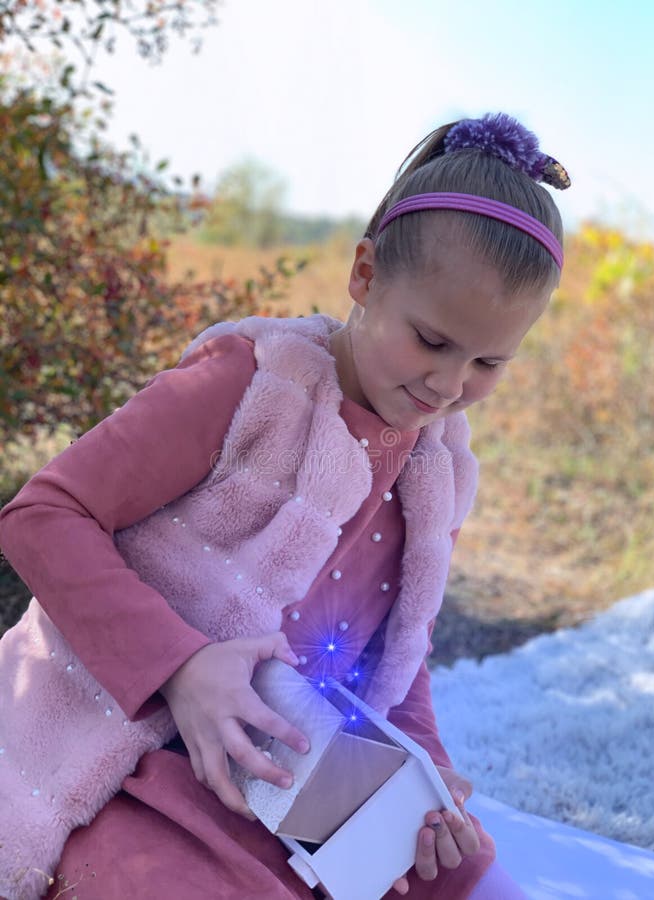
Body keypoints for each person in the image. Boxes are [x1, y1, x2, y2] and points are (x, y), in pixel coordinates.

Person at [0, 112, 569, 900]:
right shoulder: (248, 384)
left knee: (469, 880)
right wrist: (181, 667)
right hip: (132, 743)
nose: (448, 385)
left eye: (487, 363)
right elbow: (42, 514)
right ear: (365, 275)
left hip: (295, 766)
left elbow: (398, 649)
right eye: (431, 341)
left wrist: (426, 772)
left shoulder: (436, 463)